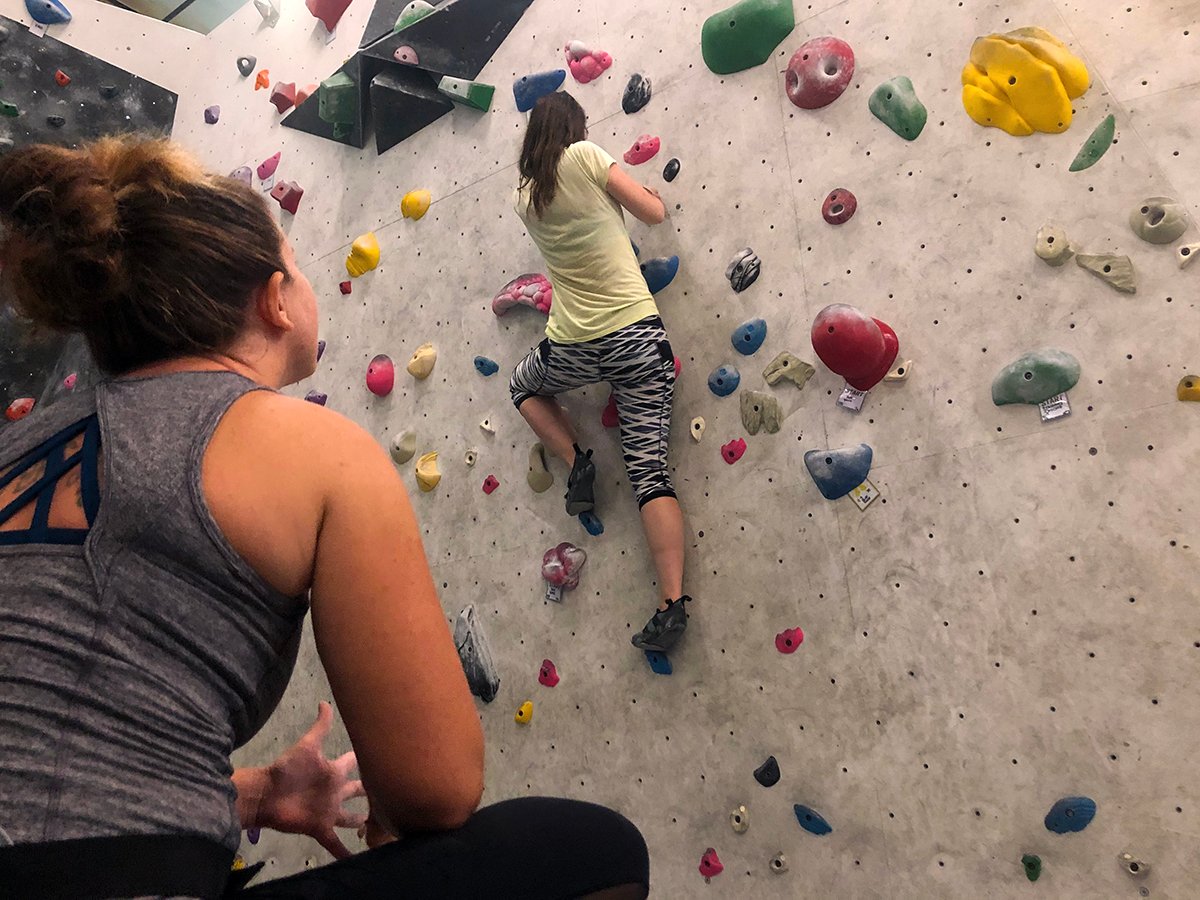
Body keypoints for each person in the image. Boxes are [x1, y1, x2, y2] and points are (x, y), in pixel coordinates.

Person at [0, 136, 649, 899]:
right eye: (300, 267)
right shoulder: (313, 448)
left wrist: (248, 793)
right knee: (586, 854)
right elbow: (432, 792)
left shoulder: (19, 443)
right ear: (275, 299)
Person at [509, 91, 691, 654]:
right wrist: (650, 196)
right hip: (635, 337)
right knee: (649, 476)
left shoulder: (523, 196)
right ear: (573, 127)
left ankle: (577, 461)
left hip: (575, 346)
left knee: (522, 385)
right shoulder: (585, 155)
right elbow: (653, 212)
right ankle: (671, 604)